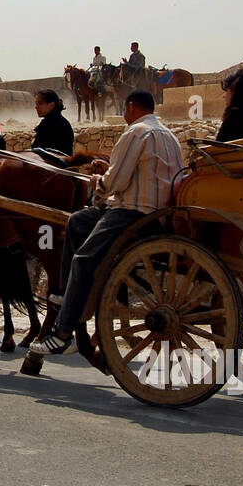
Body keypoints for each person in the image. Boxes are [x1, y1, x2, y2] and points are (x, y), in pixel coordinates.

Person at [31, 91, 183, 356]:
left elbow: (117, 182)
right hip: (160, 212)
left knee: (84, 258)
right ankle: (68, 294)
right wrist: (108, 169)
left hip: (132, 212)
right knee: (77, 222)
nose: (124, 115)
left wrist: (97, 183)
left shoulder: (136, 133)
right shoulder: (169, 136)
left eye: (125, 109)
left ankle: (62, 333)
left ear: (132, 106)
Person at [31, 89, 74, 156]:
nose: (36, 107)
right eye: (36, 104)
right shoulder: (61, 121)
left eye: (40, 103)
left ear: (51, 105)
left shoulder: (50, 124)